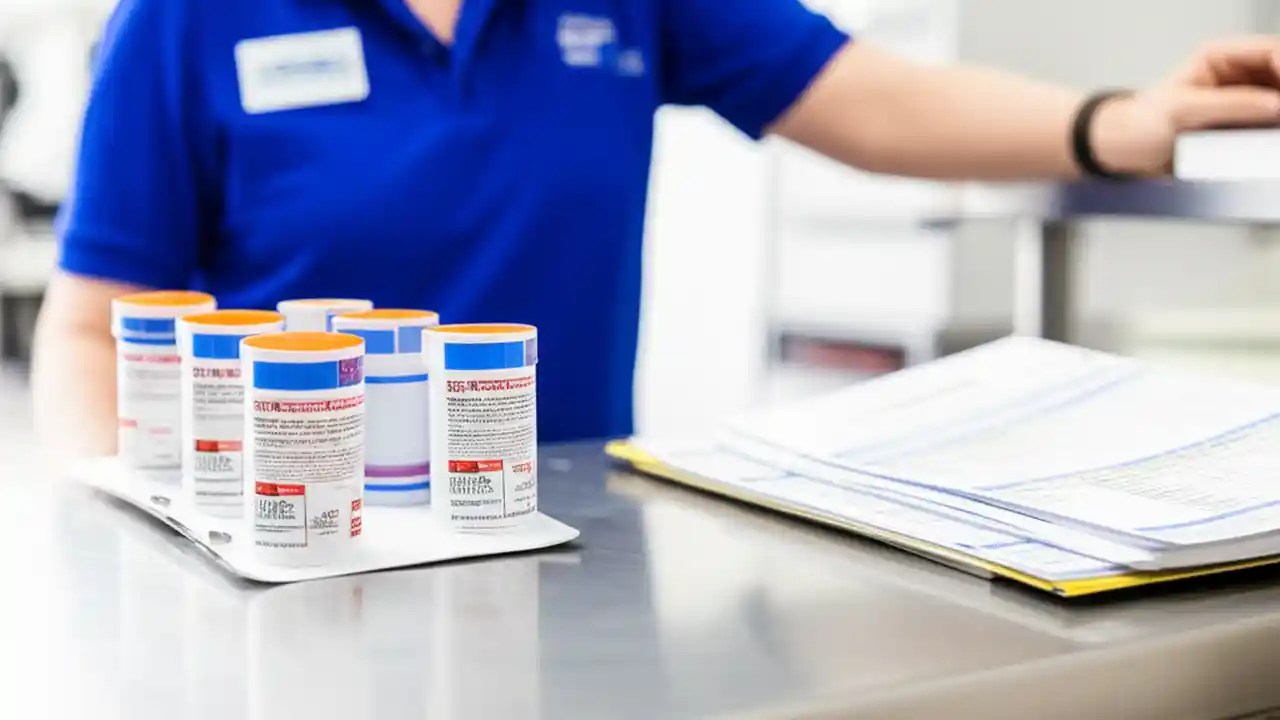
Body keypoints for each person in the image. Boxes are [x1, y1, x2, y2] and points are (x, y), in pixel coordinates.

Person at [31, 0, 1280, 460]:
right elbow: (89, 331)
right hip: (285, 538)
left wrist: (1127, 121)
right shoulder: (184, 19)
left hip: (555, 545)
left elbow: (874, 99)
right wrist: (125, 535)